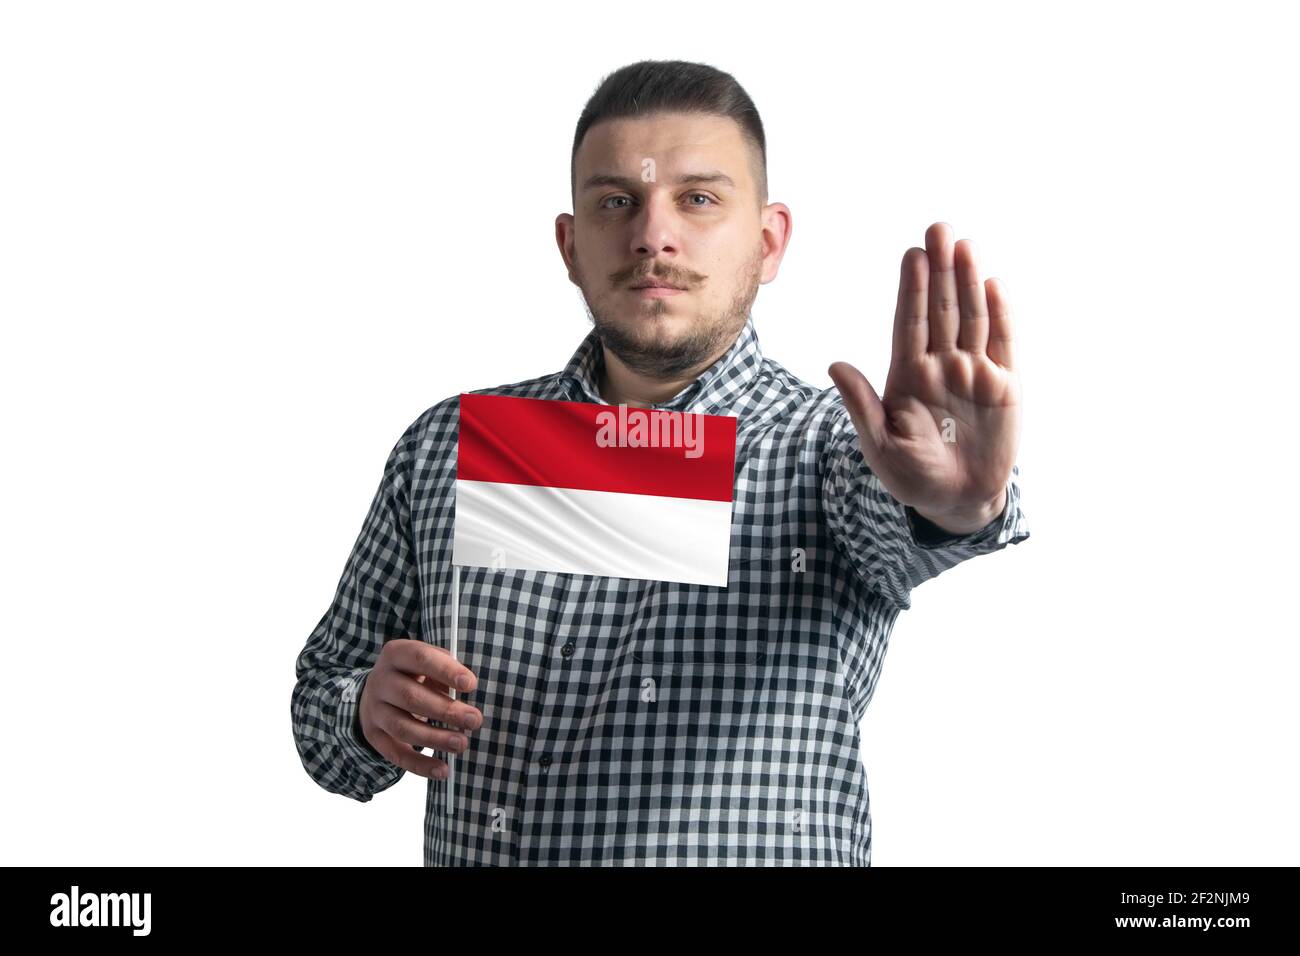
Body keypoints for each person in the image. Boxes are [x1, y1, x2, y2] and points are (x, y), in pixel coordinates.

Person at [291, 59, 1030, 866]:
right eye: (617, 202)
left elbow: (909, 525)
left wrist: (957, 502)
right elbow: (322, 714)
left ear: (770, 238)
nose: (653, 235)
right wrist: (365, 709)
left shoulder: (832, 452)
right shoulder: (451, 446)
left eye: (699, 199)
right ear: (570, 244)